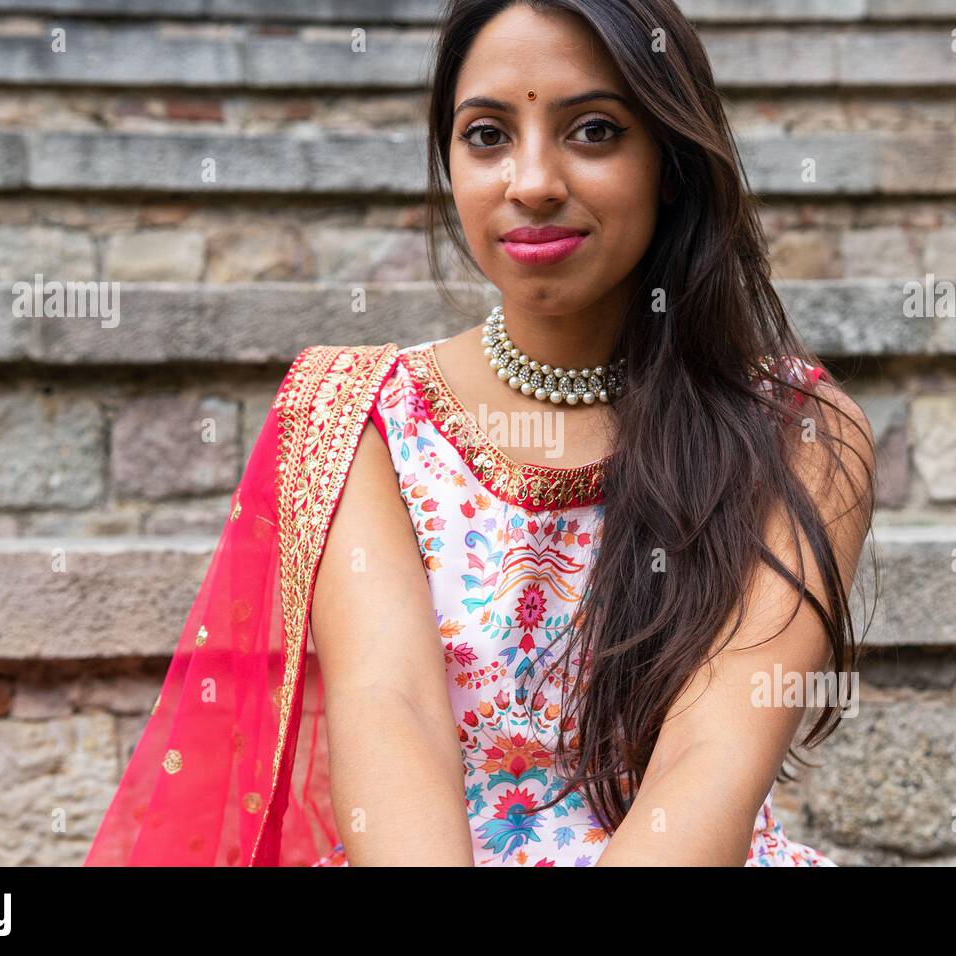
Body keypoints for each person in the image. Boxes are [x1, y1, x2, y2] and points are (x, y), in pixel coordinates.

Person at [85, 0, 877, 868]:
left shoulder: (797, 432)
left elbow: (710, 756)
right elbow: (394, 712)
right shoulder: (362, 416)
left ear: (672, 164)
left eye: (596, 130)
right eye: (488, 135)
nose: (530, 181)